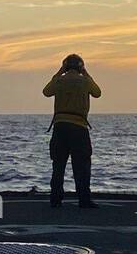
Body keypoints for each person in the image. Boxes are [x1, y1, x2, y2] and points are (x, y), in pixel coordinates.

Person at [43, 54, 102, 208]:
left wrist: (59, 72)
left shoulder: (59, 81)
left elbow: (46, 91)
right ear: (81, 66)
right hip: (79, 127)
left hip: (60, 126)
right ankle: (84, 199)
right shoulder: (85, 81)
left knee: (58, 165)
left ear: (65, 66)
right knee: (81, 165)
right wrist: (86, 73)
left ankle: (55, 199)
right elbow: (97, 93)